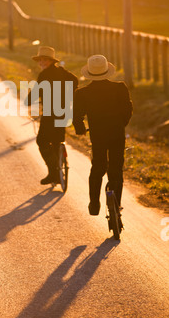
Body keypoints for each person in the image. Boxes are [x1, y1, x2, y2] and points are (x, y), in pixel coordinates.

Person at [73, 54, 133, 215]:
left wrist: (80, 129)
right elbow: (128, 110)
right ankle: (116, 206)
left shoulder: (82, 93)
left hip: (98, 135)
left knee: (97, 168)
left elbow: (77, 116)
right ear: (107, 70)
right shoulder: (120, 87)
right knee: (116, 170)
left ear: (90, 72)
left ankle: (94, 204)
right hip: (117, 133)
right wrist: (121, 124)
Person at [26, 46, 78, 185]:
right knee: (56, 141)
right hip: (65, 111)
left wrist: (28, 101)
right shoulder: (61, 71)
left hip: (51, 113)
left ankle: (53, 173)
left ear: (51, 61)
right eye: (40, 60)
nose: (42, 62)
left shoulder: (44, 75)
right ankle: (57, 170)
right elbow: (75, 81)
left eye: (45, 60)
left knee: (42, 141)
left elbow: (36, 92)